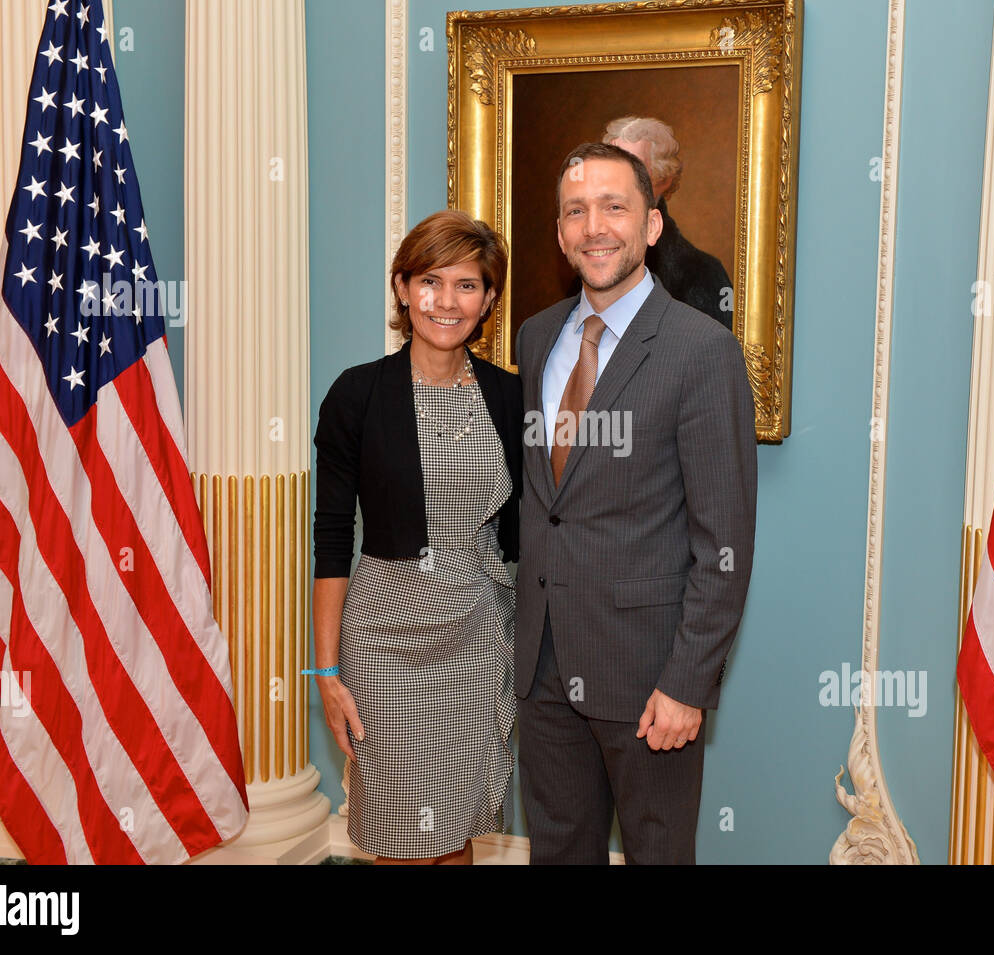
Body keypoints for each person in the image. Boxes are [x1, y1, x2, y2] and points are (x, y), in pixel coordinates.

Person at [514, 142, 757, 864]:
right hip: (544, 668)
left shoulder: (701, 351)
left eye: (615, 207)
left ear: (652, 225)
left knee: (658, 854)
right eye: (576, 211)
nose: (595, 226)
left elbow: (725, 543)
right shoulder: (534, 337)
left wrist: (688, 683)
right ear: (560, 233)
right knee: (558, 851)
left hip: (650, 679)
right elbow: (545, 504)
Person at [310, 210, 522, 865]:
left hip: (478, 637)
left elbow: (533, 533)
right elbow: (332, 536)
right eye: (431, 280)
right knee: (401, 835)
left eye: (467, 284)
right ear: (403, 288)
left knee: (455, 832)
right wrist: (325, 669)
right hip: (385, 643)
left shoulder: (513, 398)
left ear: (489, 299)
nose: (447, 301)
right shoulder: (357, 395)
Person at [604, 116, 734, 329]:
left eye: (631, 166)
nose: (615, 180)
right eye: (610, 166)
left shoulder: (702, 273)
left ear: (663, 179)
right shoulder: (593, 260)